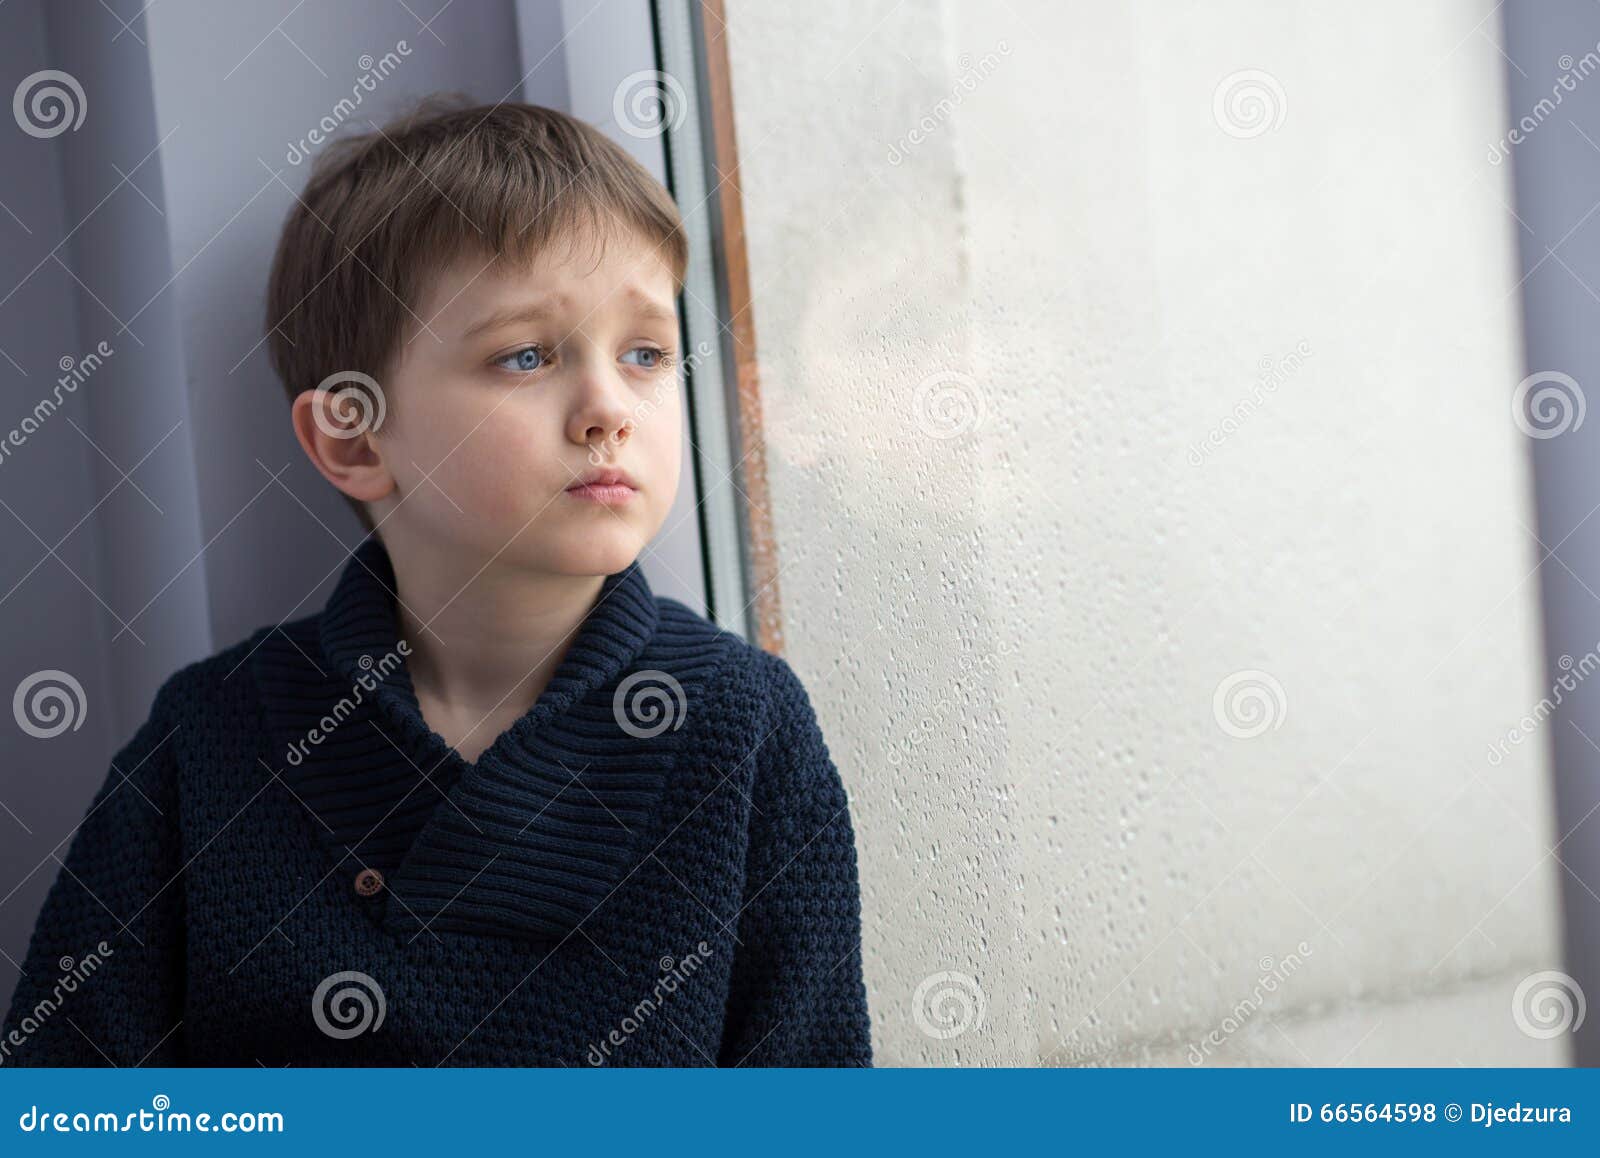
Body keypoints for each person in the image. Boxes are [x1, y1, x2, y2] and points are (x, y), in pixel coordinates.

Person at [1, 95, 871, 1067]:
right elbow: (62, 1098)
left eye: (645, 353)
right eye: (527, 355)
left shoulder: (741, 724)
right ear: (355, 435)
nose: (605, 407)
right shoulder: (209, 736)